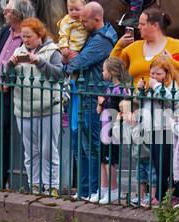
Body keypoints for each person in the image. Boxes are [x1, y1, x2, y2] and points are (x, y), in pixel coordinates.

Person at [63, 3, 118, 202]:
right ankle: (85, 190)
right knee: (80, 146)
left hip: (94, 97)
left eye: (84, 20)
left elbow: (78, 63)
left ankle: (94, 189)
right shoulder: (92, 37)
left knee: (93, 146)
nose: (81, 23)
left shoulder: (102, 41)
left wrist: (70, 62)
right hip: (83, 96)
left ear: (96, 19)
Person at [9, 18, 65, 195]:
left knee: (48, 150)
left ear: (39, 35)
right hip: (24, 110)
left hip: (49, 109)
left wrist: (39, 62)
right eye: (23, 36)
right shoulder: (18, 51)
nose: (25, 40)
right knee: (30, 152)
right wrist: (10, 65)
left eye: (29, 36)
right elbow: (6, 80)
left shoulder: (52, 51)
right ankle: (35, 184)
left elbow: (59, 74)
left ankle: (52, 185)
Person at [0, 1, 36, 190]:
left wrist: (8, 81)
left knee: (4, 136)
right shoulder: (6, 31)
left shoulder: (27, 35)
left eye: (9, 7)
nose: (4, 10)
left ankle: (0, 182)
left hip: (11, 94)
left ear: (19, 13)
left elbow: (26, 64)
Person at [111, 8, 179, 85]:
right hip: (137, 100)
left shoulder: (176, 45)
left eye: (142, 24)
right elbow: (112, 68)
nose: (138, 27)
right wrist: (119, 45)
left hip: (165, 99)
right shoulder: (134, 47)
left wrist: (171, 62)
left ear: (155, 26)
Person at [138, 53, 179, 206]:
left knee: (166, 164)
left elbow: (169, 100)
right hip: (154, 128)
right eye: (152, 73)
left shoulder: (172, 86)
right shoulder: (152, 87)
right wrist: (141, 91)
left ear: (167, 73)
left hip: (167, 129)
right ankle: (162, 195)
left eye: (158, 73)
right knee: (157, 163)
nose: (154, 76)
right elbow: (143, 103)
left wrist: (156, 86)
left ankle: (170, 195)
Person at [96, 55, 133, 203]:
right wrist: (100, 103)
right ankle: (103, 188)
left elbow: (124, 109)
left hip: (113, 130)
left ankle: (113, 190)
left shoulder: (121, 90)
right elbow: (99, 110)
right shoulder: (108, 89)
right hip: (104, 128)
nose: (102, 73)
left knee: (110, 161)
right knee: (103, 160)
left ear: (112, 72)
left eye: (104, 70)